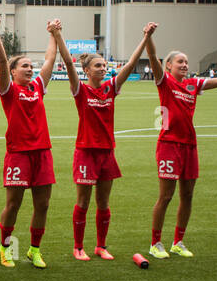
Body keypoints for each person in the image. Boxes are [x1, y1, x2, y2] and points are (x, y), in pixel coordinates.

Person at [51, 20, 152, 262]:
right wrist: (57, 35)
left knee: (104, 202)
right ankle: (78, 247)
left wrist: (146, 38)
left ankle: (101, 246)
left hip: (107, 152)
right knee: (83, 201)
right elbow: (67, 62)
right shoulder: (81, 90)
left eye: (105, 65)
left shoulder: (110, 89)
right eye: (98, 65)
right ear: (86, 70)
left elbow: (129, 66)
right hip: (86, 152)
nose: (103, 68)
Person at [148, 44, 217, 261]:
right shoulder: (165, 81)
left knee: (187, 195)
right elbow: (150, 55)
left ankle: (178, 242)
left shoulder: (193, 84)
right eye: (180, 62)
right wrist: (149, 37)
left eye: (186, 62)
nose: (185, 65)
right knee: (166, 196)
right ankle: (155, 243)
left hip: (189, 145)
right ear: (168, 65)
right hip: (169, 144)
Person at [0, 16, 53, 269]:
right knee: (13, 205)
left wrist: (53, 33)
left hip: (42, 153)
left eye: (32, 66)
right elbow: (0, 61)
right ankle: (5, 247)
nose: (30, 69)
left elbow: (50, 60)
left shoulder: (38, 87)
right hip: (18, 154)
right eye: (25, 66)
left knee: (43, 204)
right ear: (13, 71)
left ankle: (34, 250)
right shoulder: (9, 90)